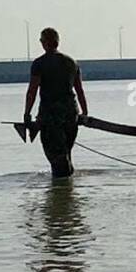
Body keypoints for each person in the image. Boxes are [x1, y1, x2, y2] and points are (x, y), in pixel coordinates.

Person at [23, 27, 89, 179]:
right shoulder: (71, 63)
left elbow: (32, 91)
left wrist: (27, 114)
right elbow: (79, 90)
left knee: (57, 158)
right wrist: (84, 113)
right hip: (71, 114)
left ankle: (61, 195)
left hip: (50, 116)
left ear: (44, 43)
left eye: (41, 40)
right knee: (66, 153)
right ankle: (69, 193)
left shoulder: (39, 64)